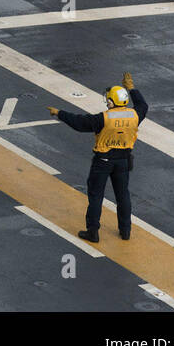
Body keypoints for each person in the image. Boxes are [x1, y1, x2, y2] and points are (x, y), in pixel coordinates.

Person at [48, 72, 149, 242]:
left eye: (108, 99)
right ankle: (125, 230)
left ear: (111, 101)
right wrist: (132, 88)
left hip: (103, 162)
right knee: (123, 195)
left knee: (96, 196)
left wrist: (59, 113)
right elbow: (142, 104)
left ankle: (93, 231)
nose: (107, 102)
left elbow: (79, 123)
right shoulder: (135, 115)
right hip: (123, 161)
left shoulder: (104, 118)